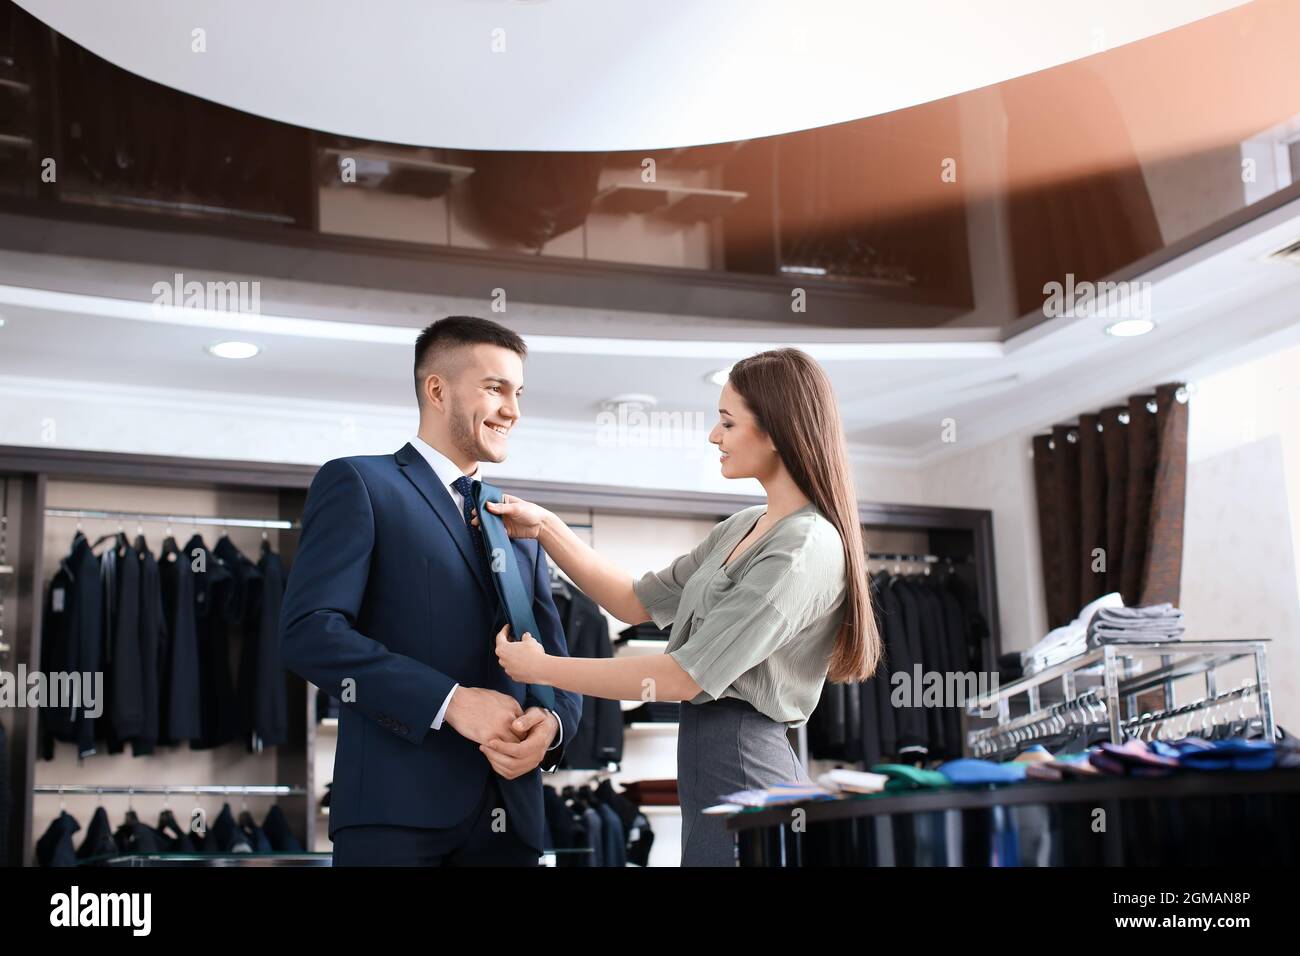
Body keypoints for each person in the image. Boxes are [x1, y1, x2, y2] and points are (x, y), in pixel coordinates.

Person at [491, 347, 880, 865]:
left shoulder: (803, 547)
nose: (713, 436)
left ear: (775, 432)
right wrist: (547, 528)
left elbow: (683, 678)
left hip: (746, 767)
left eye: (726, 422)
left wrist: (542, 669)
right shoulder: (743, 526)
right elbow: (634, 602)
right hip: (710, 768)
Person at [280, 316, 582, 866]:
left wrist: (552, 727)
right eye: (495, 388)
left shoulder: (518, 521)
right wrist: (452, 703)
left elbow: (556, 661)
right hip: (396, 818)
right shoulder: (359, 483)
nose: (513, 410)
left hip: (511, 820)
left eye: (518, 393)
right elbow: (309, 633)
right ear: (437, 390)